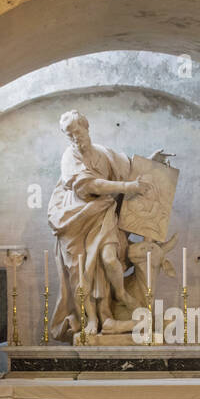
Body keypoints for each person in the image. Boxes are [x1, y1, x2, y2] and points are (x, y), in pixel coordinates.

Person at [46, 111, 167, 340]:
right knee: (82, 271)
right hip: (75, 221)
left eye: (78, 133)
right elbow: (93, 185)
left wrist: (151, 164)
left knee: (108, 260)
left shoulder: (105, 154)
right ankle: (94, 318)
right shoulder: (69, 158)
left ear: (87, 128)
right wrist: (129, 187)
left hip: (104, 215)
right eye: (70, 136)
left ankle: (116, 301)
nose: (75, 139)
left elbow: (130, 170)